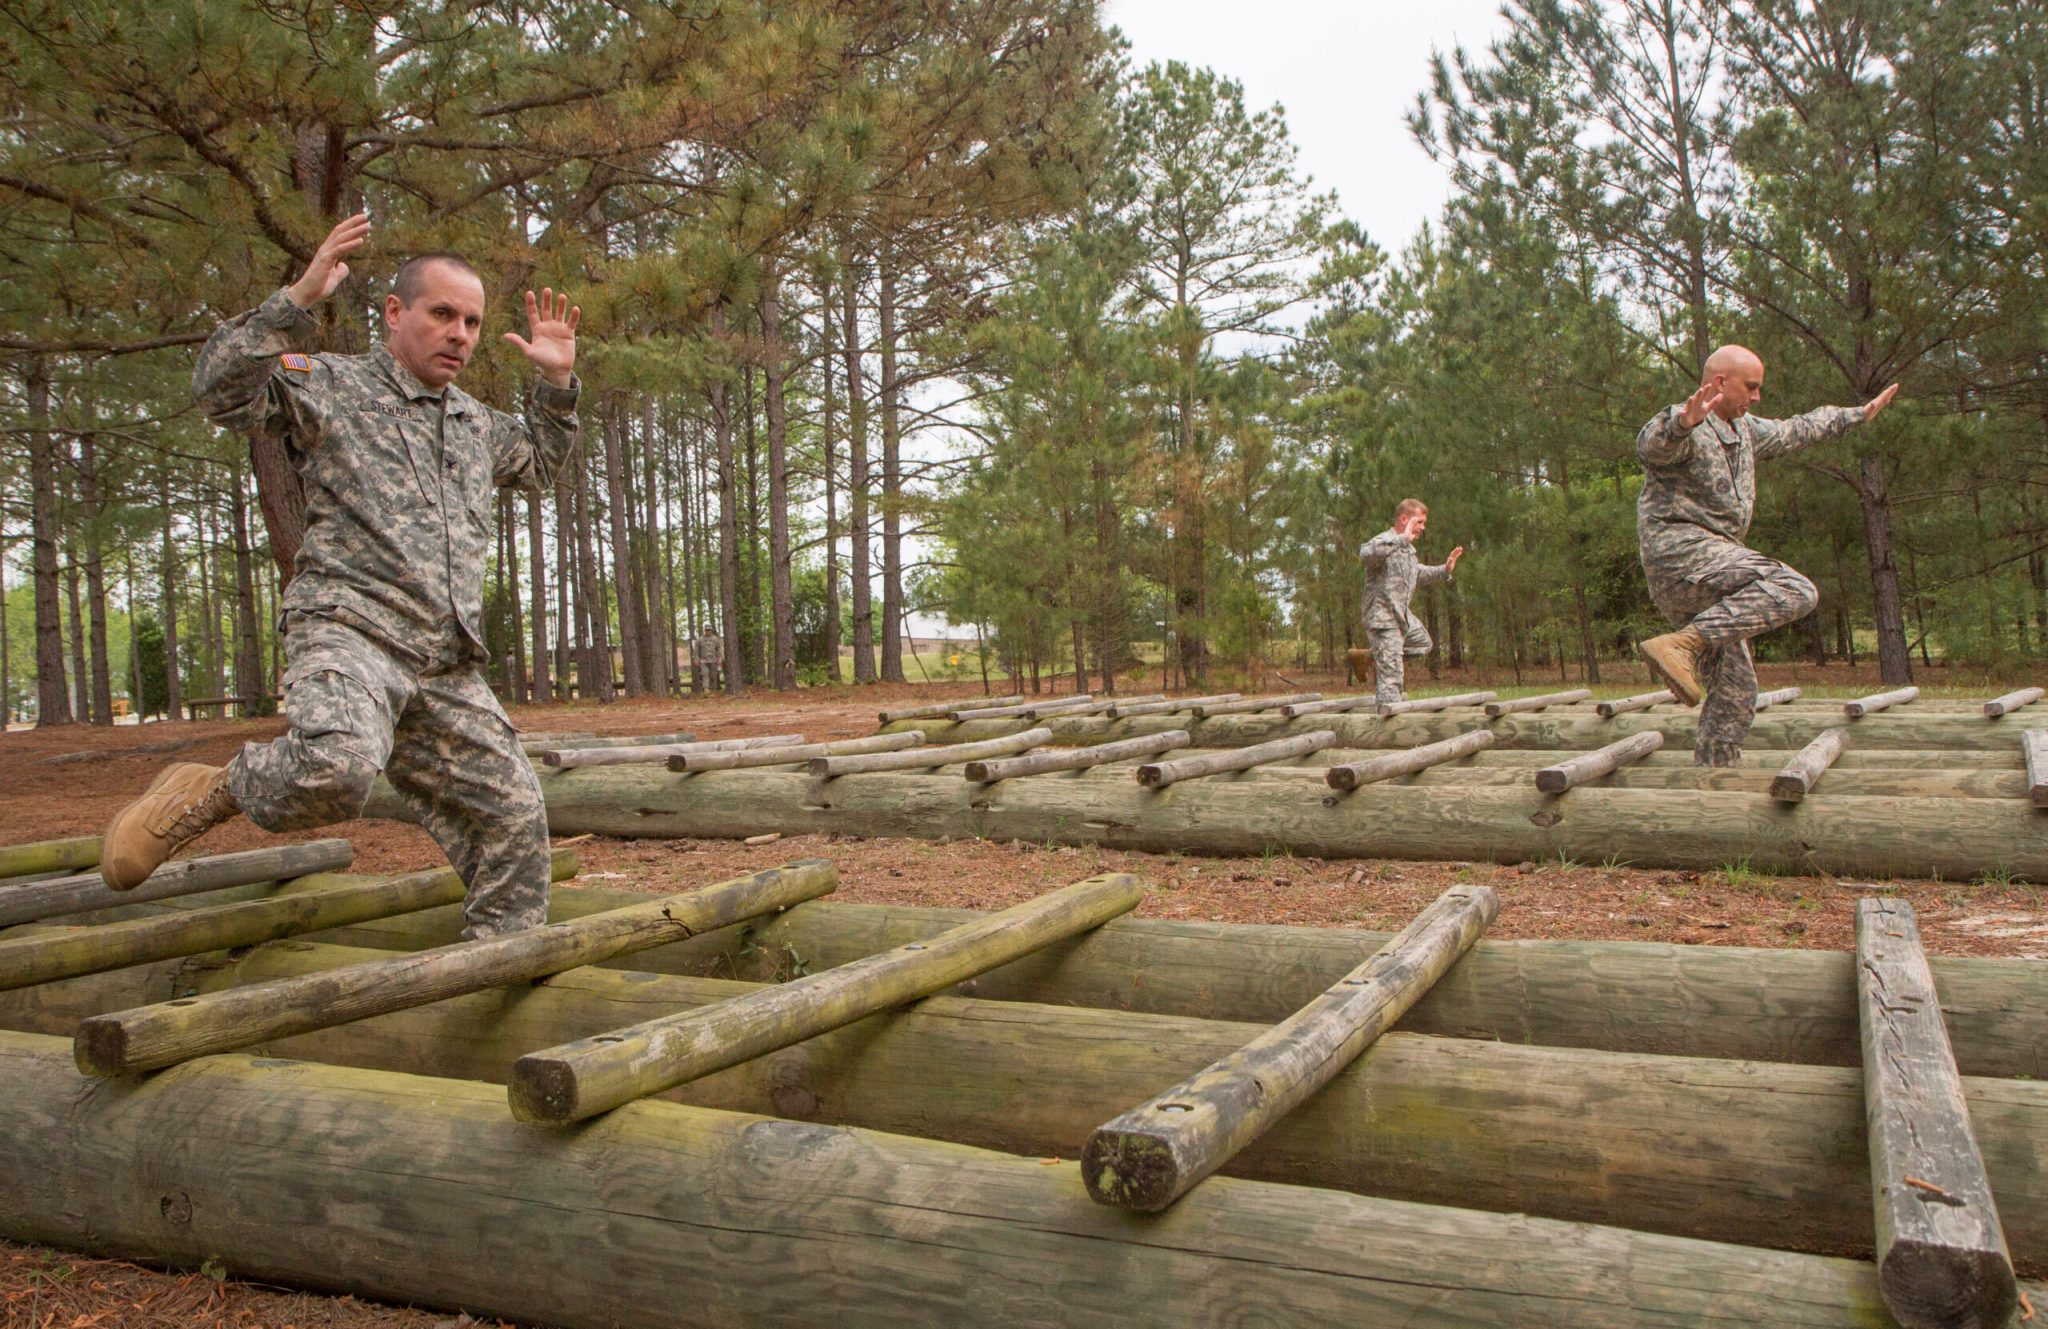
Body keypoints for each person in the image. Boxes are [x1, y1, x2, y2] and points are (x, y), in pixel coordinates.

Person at [99, 212, 584, 940]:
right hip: (351, 631)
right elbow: (222, 392)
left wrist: (558, 379)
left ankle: (491, 975)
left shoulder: (478, 424)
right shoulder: (333, 384)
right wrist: (293, 301)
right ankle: (219, 788)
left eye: (474, 322)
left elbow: (542, 461)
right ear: (395, 313)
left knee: (513, 817)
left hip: (443, 663)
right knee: (339, 765)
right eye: (442, 313)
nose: (460, 333)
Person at [1636, 344, 1897, 765]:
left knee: (1736, 690)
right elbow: (1652, 447)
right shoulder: (1686, 424)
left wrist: (1858, 414)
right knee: (1794, 588)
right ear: (1720, 382)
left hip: (1714, 572)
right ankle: (1682, 644)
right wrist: (1682, 424)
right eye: (1751, 387)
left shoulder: (1748, 431)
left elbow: (1801, 428)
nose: (1757, 396)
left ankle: (1715, 781)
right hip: (1682, 557)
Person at [1359, 499, 1463, 710]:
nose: (1423, 528)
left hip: (1402, 617)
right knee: (1392, 679)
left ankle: (1374, 655)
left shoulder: (1408, 550)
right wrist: (1401, 539)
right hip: (1383, 618)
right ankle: (1388, 728)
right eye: (1420, 522)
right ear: (1404, 519)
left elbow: (1417, 573)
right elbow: (1365, 554)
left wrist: (1445, 570)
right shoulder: (1386, 541)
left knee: (1423, 643)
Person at [692, 626, 725, 694]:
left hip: (713, 660)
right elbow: (696, 650)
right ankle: (706, 690)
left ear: (711, 631)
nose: (708, 631)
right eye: (707, 630)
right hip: (703, 661)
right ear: (704, 631)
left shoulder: (715, 639)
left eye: (709, 630)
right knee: (705, 674)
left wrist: (720, 658)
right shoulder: (700, 640)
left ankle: (713, 689)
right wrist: (696, 658)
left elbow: (719, 649)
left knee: (713, 675)